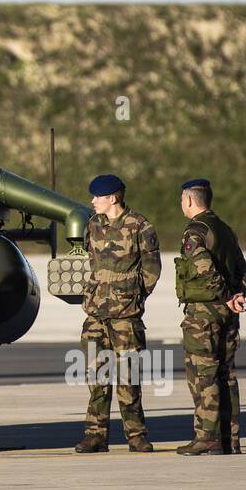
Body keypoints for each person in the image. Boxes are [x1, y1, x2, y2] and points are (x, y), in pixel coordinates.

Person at [75, 174, 161, 454]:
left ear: (112, 198)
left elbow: (151, 269)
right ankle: (96, 435)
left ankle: (136, 435)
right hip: (97, 313)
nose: (92, 201)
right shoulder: (93, 224)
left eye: (97, 197)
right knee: (96, 375)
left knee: (128, 375)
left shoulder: (139, 226)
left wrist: (133, 297)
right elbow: (93, 262)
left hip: (126, 314)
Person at [174, 178, 246, 456]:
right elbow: (243, 270)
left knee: (203, 375)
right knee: (226, 375)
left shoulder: (195, 231)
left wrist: (226, 296)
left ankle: (207, 437)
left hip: (204, 315)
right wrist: (238, 295)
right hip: (228, 314)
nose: (181, 204)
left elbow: (205, 270)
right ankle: (230, 439)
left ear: (191, 200)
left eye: (182, 199)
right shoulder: (225, 229)